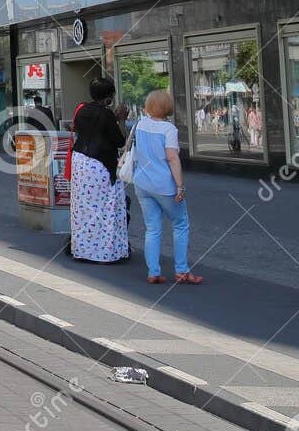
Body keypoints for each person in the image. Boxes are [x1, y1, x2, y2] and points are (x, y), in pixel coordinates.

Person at [130, 88, 201, 284]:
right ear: (167, 107)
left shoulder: (139, 124)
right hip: (164, 185)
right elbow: (172, 158)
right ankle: (181, 270)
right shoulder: (169, 130)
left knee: (152, 228)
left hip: (142, 183)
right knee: (180, 223)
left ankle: (153, 272)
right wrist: (180, 186)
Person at [69, 76, 129, 264]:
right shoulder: (106, 114)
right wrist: (121, 120)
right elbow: (120, 142)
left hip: (80, 161)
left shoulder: (81, 110)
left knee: (84, 207)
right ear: (109, 97)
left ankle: (83, 249)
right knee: (106, 207)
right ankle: (105, 252)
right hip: (100, 165)